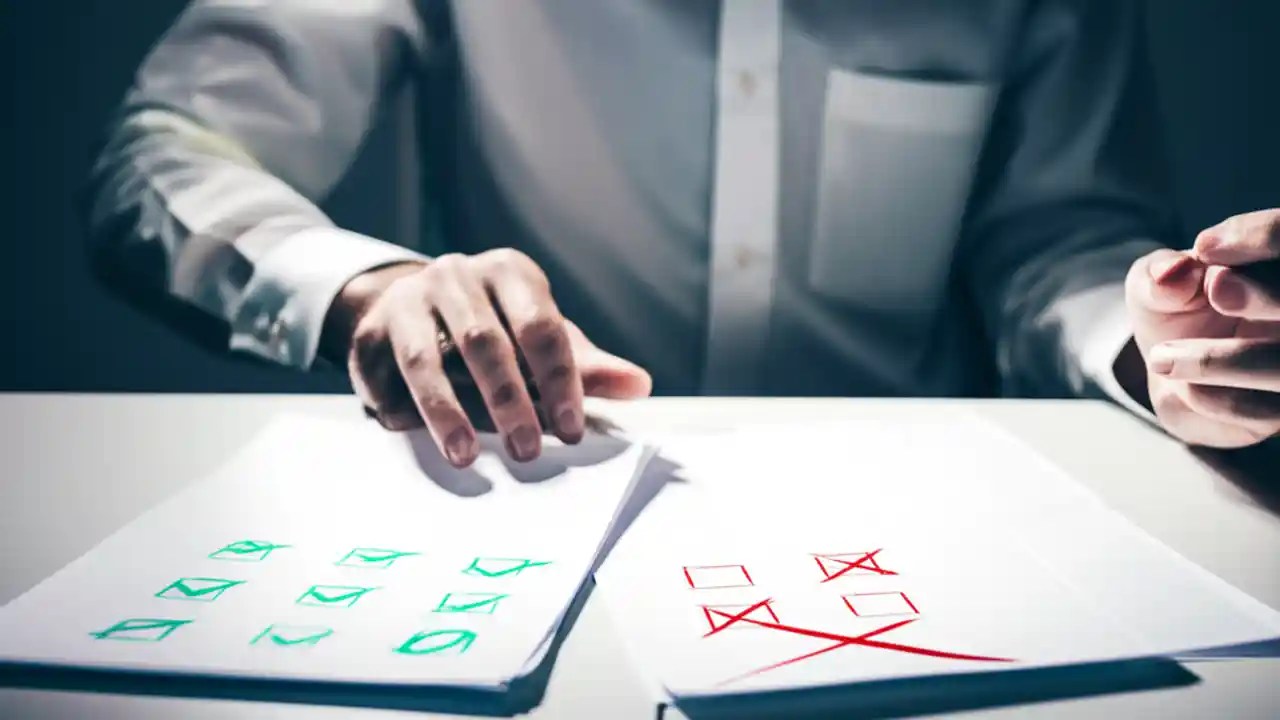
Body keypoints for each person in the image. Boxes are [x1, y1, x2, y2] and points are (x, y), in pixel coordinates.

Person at [86, 1, 1277, 467]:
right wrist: (367, 291)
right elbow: (166, 154)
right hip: (537, 489)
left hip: (930, 526)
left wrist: (1149, 347)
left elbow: (1056, 240)